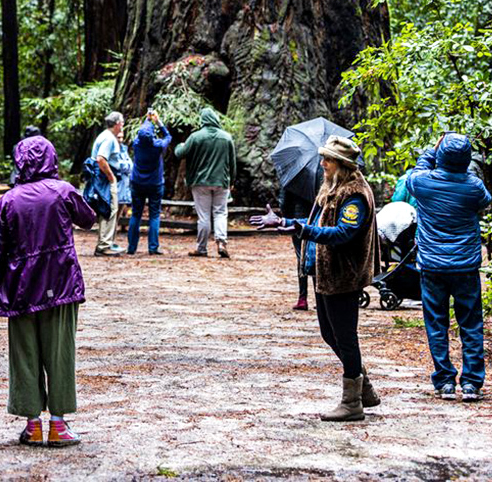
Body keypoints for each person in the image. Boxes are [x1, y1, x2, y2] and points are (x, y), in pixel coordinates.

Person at [251, 135, 380, 422]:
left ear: (342, 164)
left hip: (342, 275)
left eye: (328, 160)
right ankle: (363, 387)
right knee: (329, 334)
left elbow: (345, 234)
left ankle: (352, 403)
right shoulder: (331, 189)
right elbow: (317, 224)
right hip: (324, 272)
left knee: (345, 337)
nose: (323, 164)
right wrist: (286, 222)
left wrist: (301, 230)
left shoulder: (355, 194)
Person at [0, 133, 96, 447]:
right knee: (60, 353)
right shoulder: (62, 192)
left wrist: (4, 279)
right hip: (61, 283)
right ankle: (59, 425)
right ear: (52, 158)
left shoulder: (8, 200)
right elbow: (88, 218)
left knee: (24, 354)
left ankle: (33, 424)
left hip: (21, 288)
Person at [406, 132, 492, 401]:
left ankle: (444, 382)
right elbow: (485, 202)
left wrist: (432, 150)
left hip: (432, 265)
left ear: (440, 156)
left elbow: (418, 168)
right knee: (471, 324)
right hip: (465, 265)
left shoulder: (421, 183)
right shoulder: (474, 187)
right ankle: (471, 384)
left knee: (436, 323)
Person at [174, 107, 236, 259]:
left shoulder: (195, 137)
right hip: (222, 182)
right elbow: (232, 162)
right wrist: (232, 181)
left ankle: (201, 248)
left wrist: (180, 146)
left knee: (204, 216)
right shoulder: (227, 137)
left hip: (200, 182)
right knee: (220, 212)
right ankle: (221, 242)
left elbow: (180, 154)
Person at [127, 110, 172, 255]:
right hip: (155, 184)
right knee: (154, 215)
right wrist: (158, 122)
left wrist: (147, 120)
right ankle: (153, 248)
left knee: (136, 214)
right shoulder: (157, 145)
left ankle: (131, 248)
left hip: (137, 183)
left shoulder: (136, 144)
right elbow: (168, 136)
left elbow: (142, 133)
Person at [91, 111, 125, 256]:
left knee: (110, 210)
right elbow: (101, 159)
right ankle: (103, 246)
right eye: (122, 122)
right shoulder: (108, 139)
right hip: (105, 180)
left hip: (103, 179)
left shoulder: (107, 136)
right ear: (117, 123)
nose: (123, 124)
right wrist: (111, 177)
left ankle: (107, 243)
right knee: (109, 210)